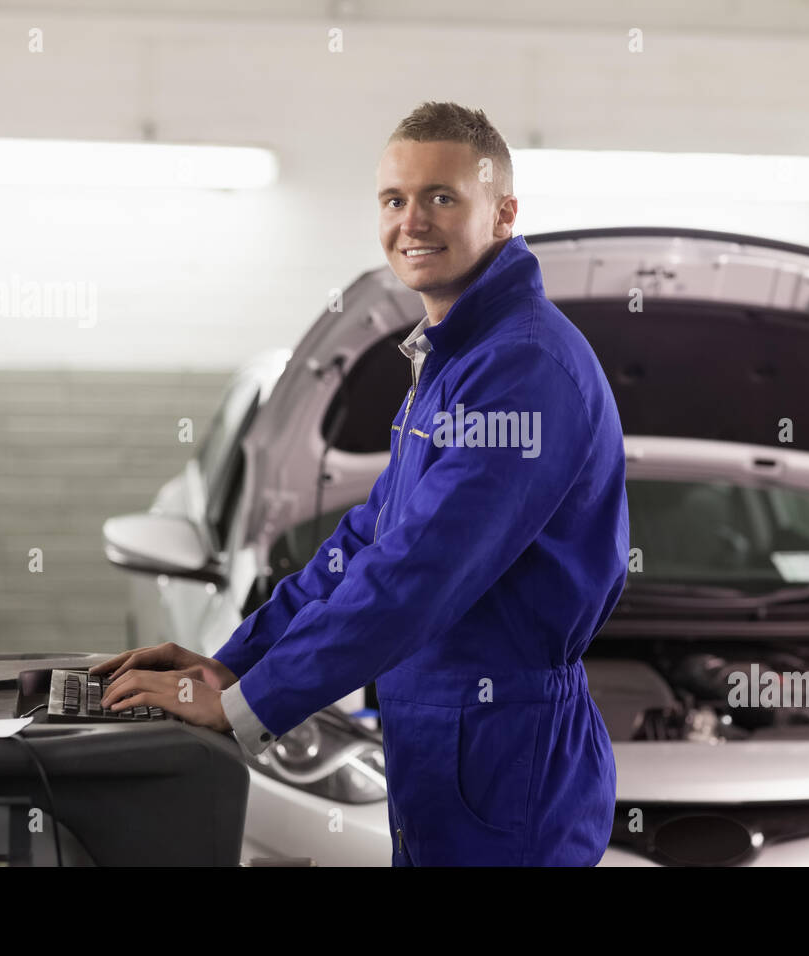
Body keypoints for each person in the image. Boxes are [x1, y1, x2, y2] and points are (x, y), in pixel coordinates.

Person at [95, 101, 629, 866]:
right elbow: (370, 542)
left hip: (504, 751)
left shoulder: (522, 368)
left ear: (503, 213)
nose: (412, 220)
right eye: (394, 199)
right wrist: (233, 663)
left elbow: (420, 573)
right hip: (448, 740)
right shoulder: (455, 360)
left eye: (442, 197)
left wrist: (246, 705)